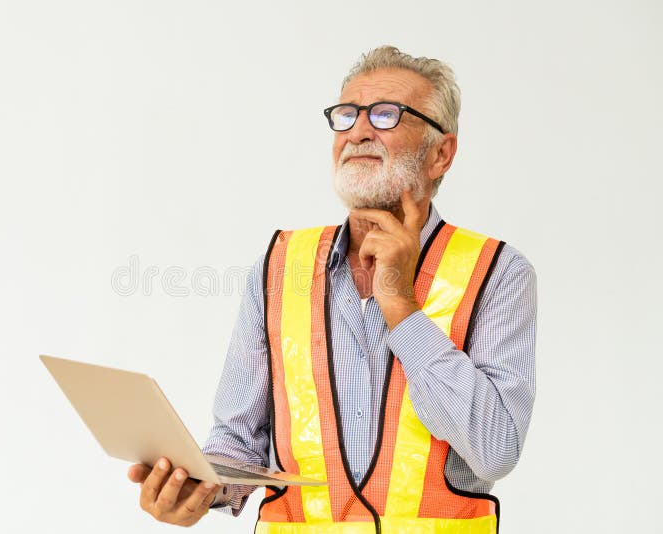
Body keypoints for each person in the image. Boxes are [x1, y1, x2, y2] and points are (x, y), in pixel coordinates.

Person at [128, 45, 536, 533]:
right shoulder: (279, 266)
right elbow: (237, 442)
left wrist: (401, 307)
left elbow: (495, 449)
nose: (358, 131)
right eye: (347, 115)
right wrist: (200, 489)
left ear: (440, 154)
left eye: (386, 115)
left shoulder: (497, 272)